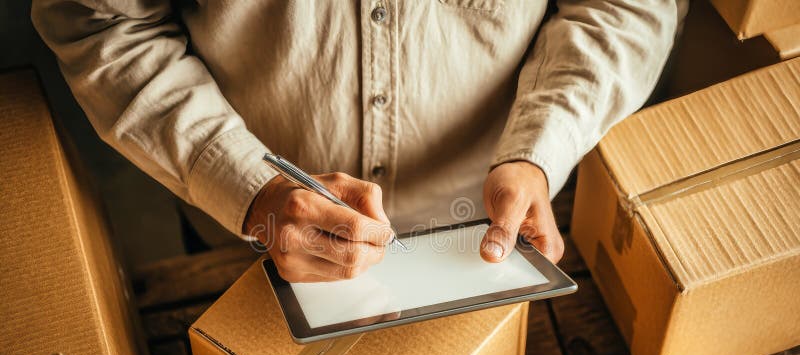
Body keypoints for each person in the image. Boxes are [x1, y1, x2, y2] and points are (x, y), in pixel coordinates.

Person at [32, 0, 681, 282]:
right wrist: (245, 187)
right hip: (241, 229)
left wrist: (540, 147)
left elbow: (628, 5)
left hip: (488, 237)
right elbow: (98, 22)